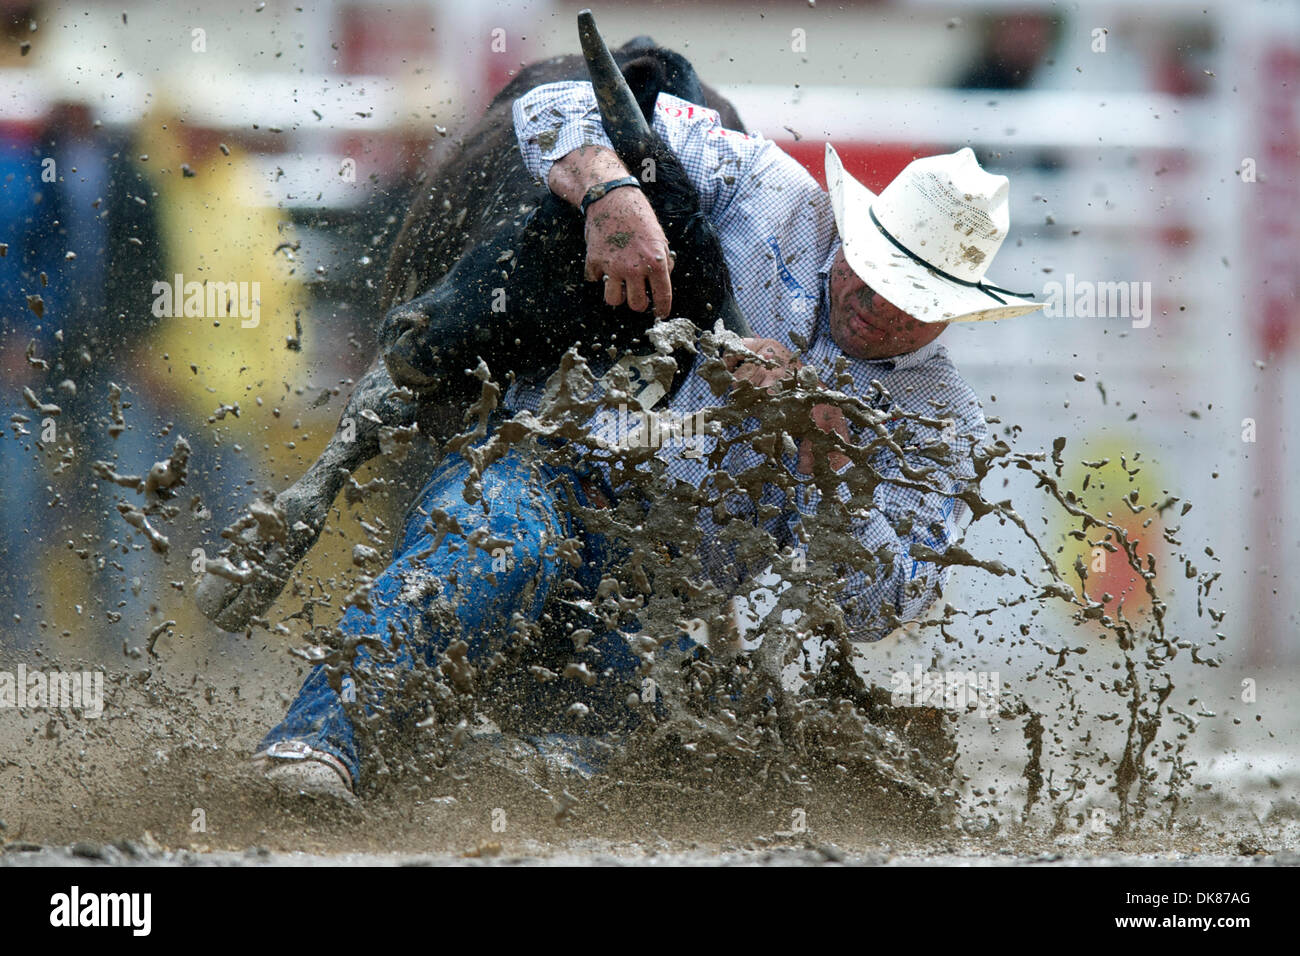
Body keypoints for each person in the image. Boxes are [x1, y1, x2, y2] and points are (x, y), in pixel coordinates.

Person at [252, 79, 1043, 802]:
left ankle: (453, 768)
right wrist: (610, 189)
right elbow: (557, 102)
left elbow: (879, 609)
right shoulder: (765, 189)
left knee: (731, 740)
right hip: (552, 467)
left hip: (647, 605)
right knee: (493, 539)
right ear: (853, 228)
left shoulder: (938, 423)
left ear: (954, 312)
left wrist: (836, 475)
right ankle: (314, 746)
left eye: (906, 300)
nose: (870, 303)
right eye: (863, 268)